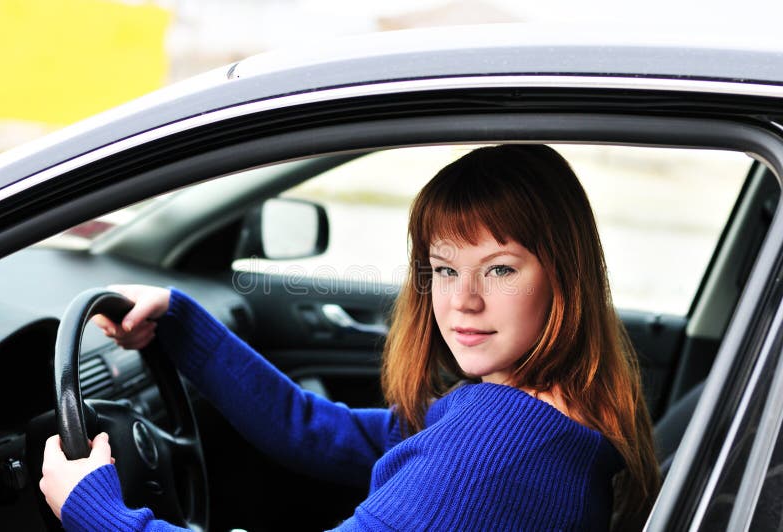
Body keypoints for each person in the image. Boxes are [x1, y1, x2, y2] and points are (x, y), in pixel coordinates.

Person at [39, 144, 660, 531]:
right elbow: (316, 429)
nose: (462, 300)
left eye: (499, 269)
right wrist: (182, 325)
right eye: (445, 270)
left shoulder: (491, 448)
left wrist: (100, 513)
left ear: (565, 277)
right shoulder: (546, 411)